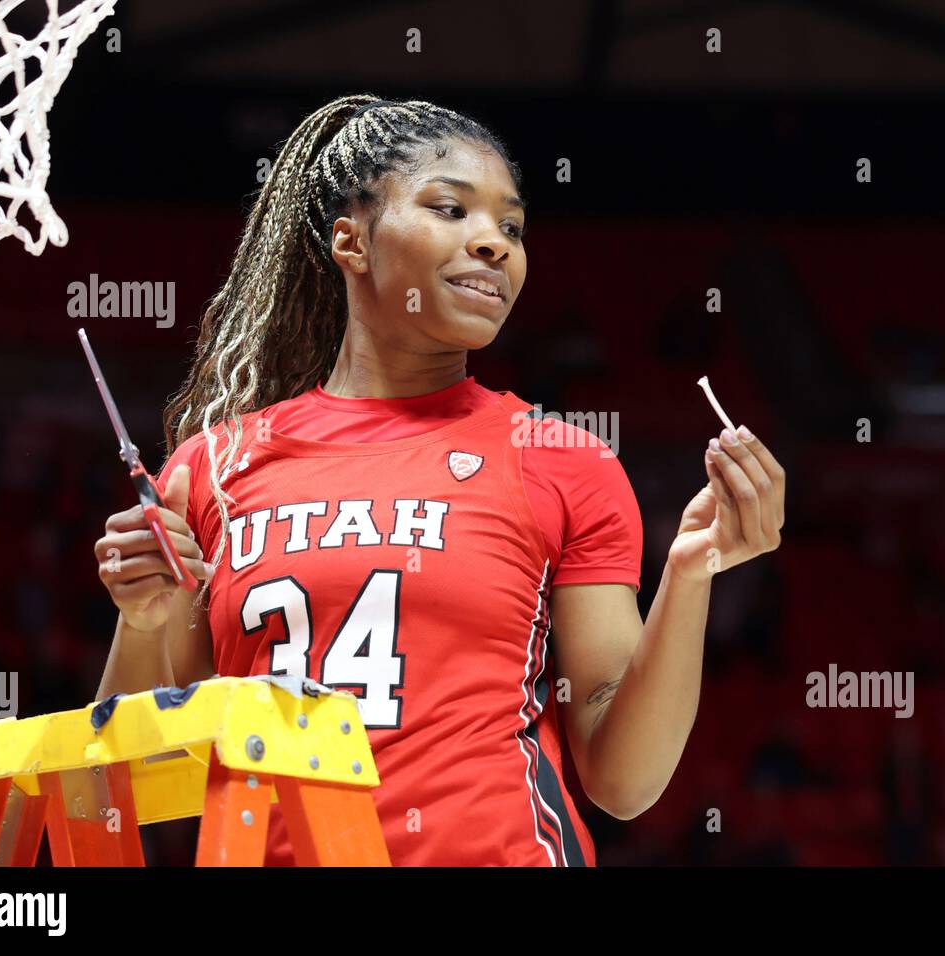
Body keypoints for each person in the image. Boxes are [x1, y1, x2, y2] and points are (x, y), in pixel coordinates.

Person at [93, 95, 786, 866]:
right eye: (452, 209)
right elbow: (141, 786)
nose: (493, 243)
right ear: (350, 242)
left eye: (512, 227)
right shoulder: (212, 472)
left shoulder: (562, 460)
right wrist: (145, 618)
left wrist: (690, 570)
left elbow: (624, 781)